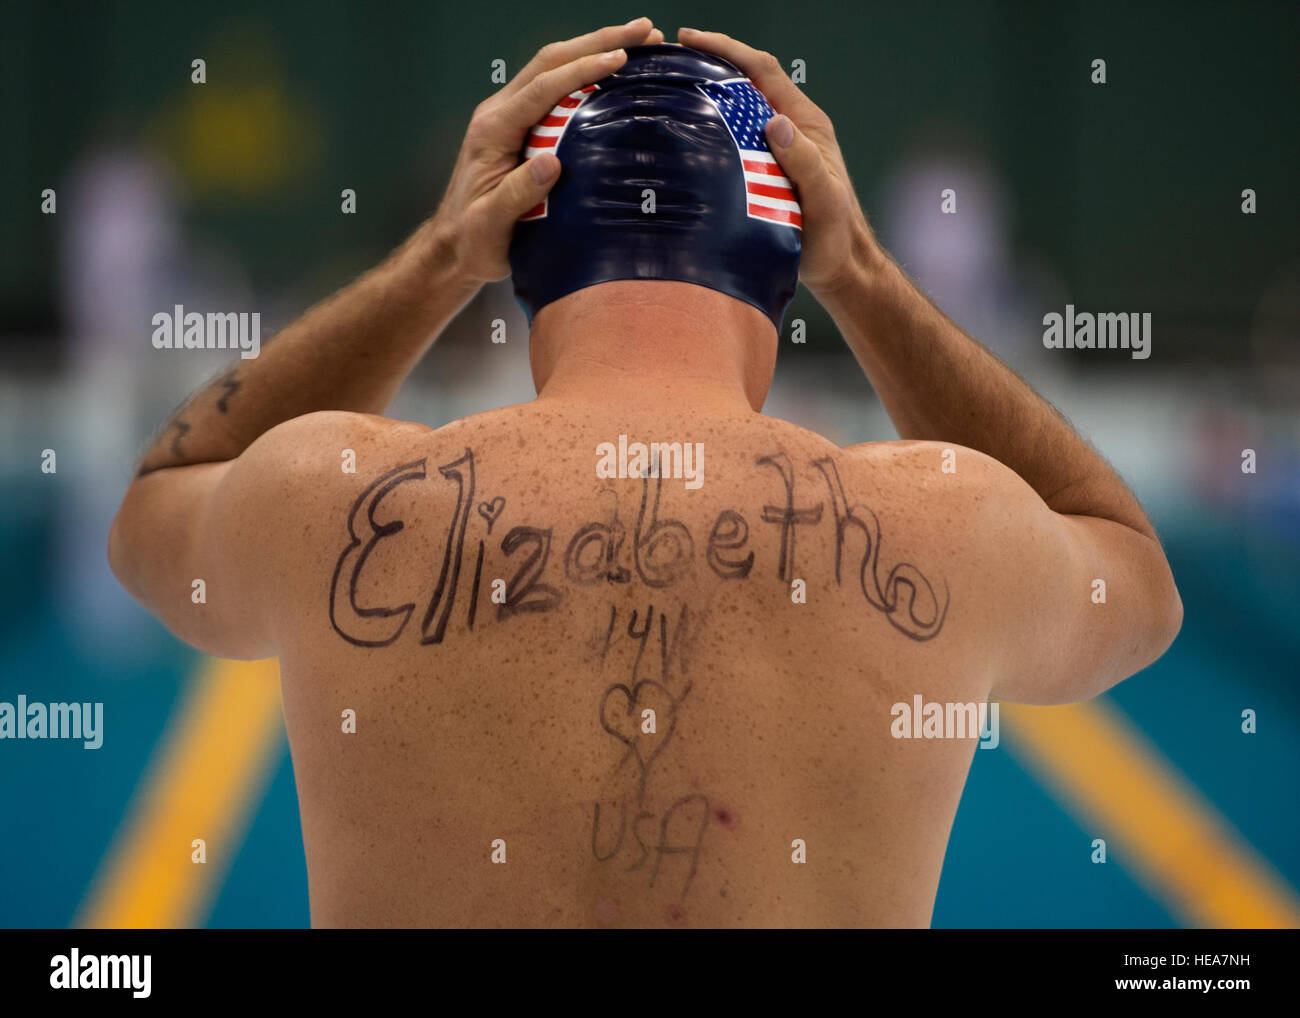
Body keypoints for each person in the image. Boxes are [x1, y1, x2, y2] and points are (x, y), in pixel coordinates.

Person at [108, 20, 1182, 927]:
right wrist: (864, 276)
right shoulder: (945, 523)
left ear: (522, 262)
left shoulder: (330, 499)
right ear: (784, 264)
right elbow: (1135, 578)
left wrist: (436, 257)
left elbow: (159, 499)